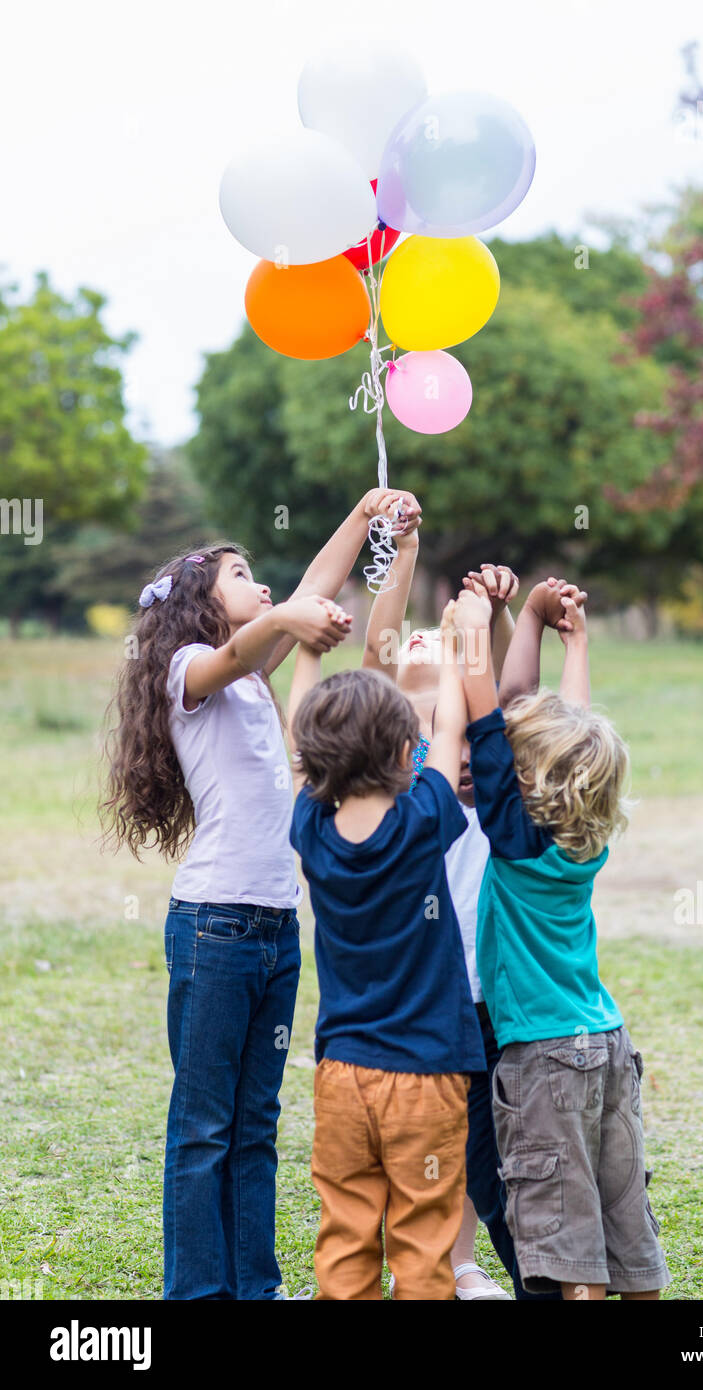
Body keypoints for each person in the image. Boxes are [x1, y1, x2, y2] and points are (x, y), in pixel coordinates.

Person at [100, 488, 420, 1300]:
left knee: (256, 1126)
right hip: (214, 927)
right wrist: (285, 623)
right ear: (204, 605)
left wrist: (363, 518)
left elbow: (306, 593)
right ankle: (196, 1292)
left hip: (277, 930)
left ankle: (255, 1288)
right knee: (203, 1127)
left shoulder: (252, 680)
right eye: (243, 575)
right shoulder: (189, 674)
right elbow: (243, 649)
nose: (265, 586)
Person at [452, 576, 671, 1300]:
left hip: (542, 1056)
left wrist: (473, 629)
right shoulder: (587, 839)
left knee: (563, 1244)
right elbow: (572, 736)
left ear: (521, 778)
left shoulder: (510, 839)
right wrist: (568, 636)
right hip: (607, 1043)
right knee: (623, 1221)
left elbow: (486, 717)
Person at [364, 546, 555, 1299]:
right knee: (427, 1131)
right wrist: (402, 556)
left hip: (487, 981)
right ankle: (437, 1257)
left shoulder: (484, 761)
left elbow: (513, 690)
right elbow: (381, 651)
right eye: (417, 698)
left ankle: (466, 1259)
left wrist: (505, 612)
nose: (431, 712)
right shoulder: (399, 770)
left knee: (482, 1136)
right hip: (420, 985)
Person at [288, 598, 486, 1300]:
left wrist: (304, 647)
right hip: (427, 1074)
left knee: (344, 1232)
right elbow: (455, 727)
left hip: (341, 1071)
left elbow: (297, 743)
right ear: (409, 752)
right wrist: (466, 644)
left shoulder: (311, 827)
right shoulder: (425, 815)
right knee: (423, 1239)